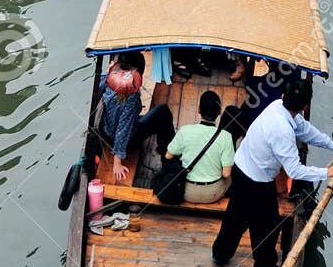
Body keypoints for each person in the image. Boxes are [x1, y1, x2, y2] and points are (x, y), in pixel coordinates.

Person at [212, 77, 333, 267]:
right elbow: (295, 171)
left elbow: (305, 130)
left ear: (283, 96)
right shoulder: (282, 131)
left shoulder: (277, 106)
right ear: (304, 106)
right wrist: (328, 172)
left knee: (236, 216)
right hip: (256, 181)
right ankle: (264, 266)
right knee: (267, 224)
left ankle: (221, 254)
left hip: (241, 167)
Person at [97, 51, 174, 184]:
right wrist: (117, 162)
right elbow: (123, 129)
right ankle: (168, 153)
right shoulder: (131, 98)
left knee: (144, 117)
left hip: (108, 132)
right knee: (163, 111)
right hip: (125, 141)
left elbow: (100, 86)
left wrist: (109, 70)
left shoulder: (109, 78)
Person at [165, 89, 236, 205]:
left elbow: (168, 155)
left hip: (186, 191)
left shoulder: (185, 131)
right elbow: (226, 174)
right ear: (219, 112)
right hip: (213, 194)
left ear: (199, 110)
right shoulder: (226, 137)